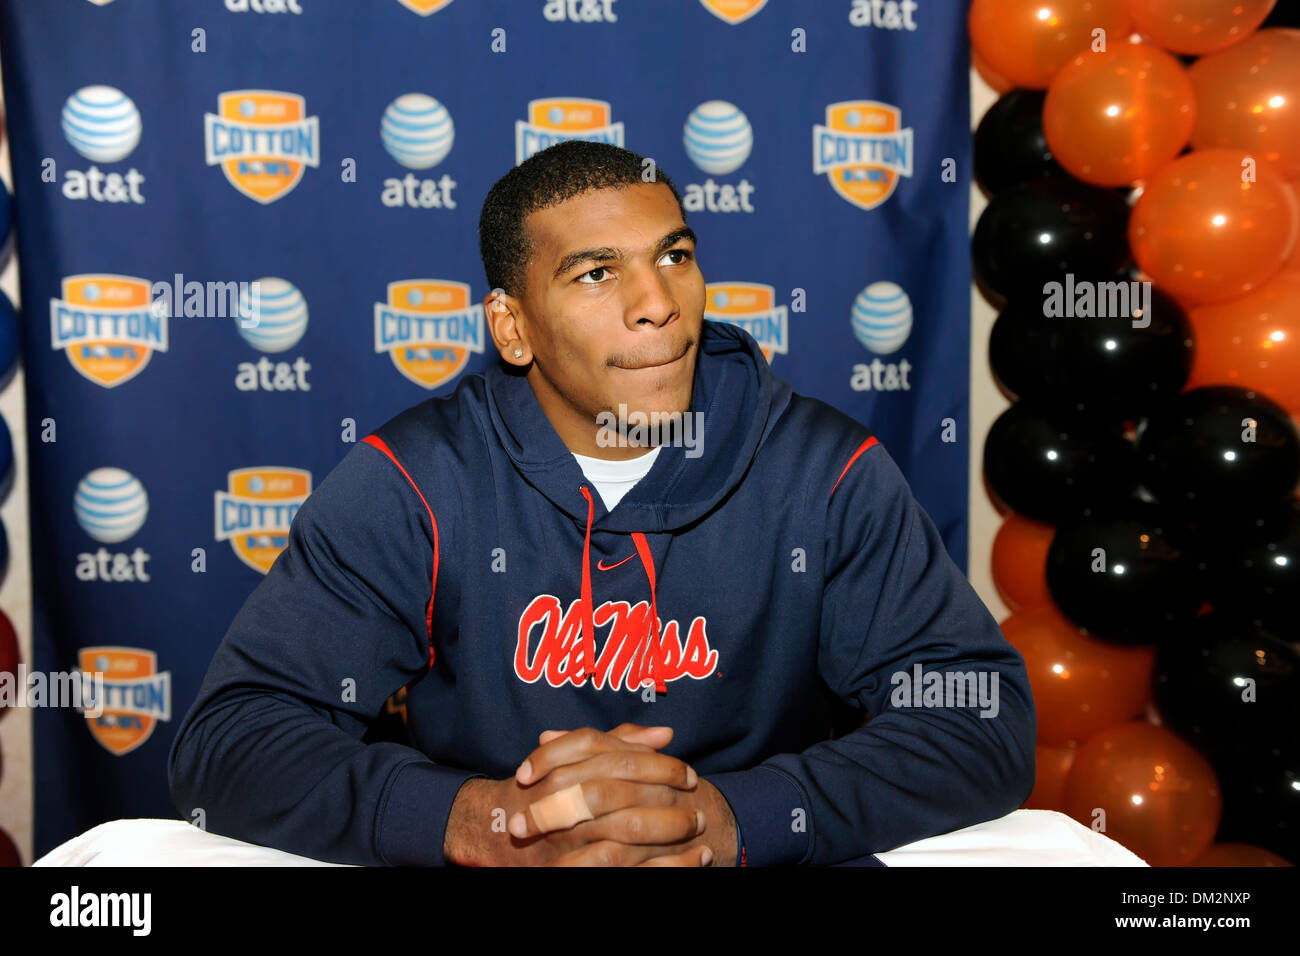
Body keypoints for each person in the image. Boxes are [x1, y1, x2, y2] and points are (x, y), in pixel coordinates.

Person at [168, 140, 1036, 867]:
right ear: (512, 328)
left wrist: (735, 818)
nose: (657, 304)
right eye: (594, 273)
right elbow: (232, 739)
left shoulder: (828, 470)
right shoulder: (416, 479)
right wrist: (483, 822)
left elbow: (977, 720)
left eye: (675, 256)